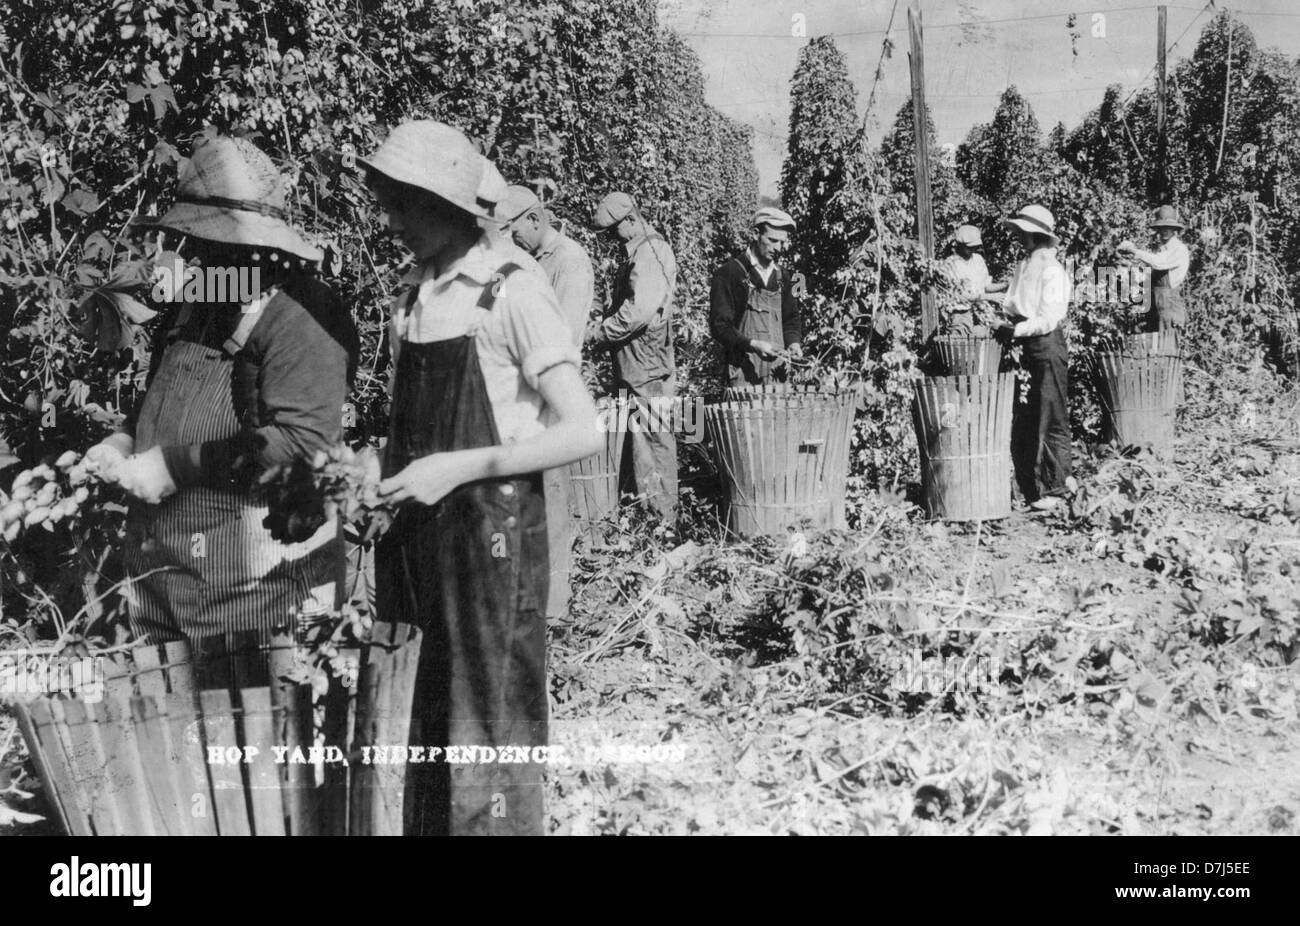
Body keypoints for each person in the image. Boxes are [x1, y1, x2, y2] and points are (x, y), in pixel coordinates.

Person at [360, 120, 601, 836]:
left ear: (445, 205)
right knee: (423, 713)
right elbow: (408, 427)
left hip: (490, 545)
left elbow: (582, 430)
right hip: (414, 544)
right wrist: (377, 470)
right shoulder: (415, 295)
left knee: (487, 719)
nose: (394, 223)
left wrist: (458, 467)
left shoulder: (511, 293)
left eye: (405, 206)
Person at [86, 135, 357, 649]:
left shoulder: (302, 315)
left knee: (250, 723)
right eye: (200, 240)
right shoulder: (199, 296)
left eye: (218, 242)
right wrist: (123, 442)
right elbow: (159, 399)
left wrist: (176, 466)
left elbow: (304, 446)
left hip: (258, 587)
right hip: (162, 577)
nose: (203, 252)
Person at [498, 183, 597, 620]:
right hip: (521, 400)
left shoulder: (570, 262)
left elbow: (564, 338)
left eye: (513, 229)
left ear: (535, 220)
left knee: (552, 499)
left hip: (554, 398)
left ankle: (554, 608)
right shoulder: (517, 262)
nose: (509, 239)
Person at [585, 192, 678, 525]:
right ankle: (652, 518)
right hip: (640, 362)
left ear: (630, 220)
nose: (611, 238)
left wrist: (599, 331)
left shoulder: (648, 253)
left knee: (652, 440)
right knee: (643, 438)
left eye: (613, 230)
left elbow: (637, 312)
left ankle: (663, 523)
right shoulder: (642, 250)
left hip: (645, 363)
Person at [989, 204, 1072, 513]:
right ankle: (1030, 489)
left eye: (1024, 233)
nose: (1019, 238)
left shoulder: (1052, 270)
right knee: (1026, 418)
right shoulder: (1025, 266)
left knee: (1050, 415)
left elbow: (1049, 318)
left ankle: (1056, 488)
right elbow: (1012, 303)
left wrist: (1016, 331)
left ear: (1037, 235)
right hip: (1025, 345)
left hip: (1046, 345)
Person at [709, 206, 803, 386]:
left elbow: (791, 319)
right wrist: (753, 344)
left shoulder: (784, 276)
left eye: (782, 242)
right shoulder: (730, 273)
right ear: (755, 234)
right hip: (744, 372)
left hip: (779, 375)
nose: (779, 248)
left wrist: (793, 343)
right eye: (773, 240)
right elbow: (720, 327)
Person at [1117, 205, 1189, 334]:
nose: (1165, 231)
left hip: (1169, 305)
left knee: (1167, 345)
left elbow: (1159, 263)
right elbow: (1148, 267)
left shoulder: (1178, 249)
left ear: (1174, 229)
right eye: (1162, 227)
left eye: (1168, 227)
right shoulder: (1160, 250)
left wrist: (1135, 251)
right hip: (1155, 304)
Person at [940, 224, 1007, 334]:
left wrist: (1005, 284)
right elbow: (962, 295)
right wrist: (990, 297)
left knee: (989, 337)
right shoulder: (951, 264)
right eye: (969, 247)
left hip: (981, 311)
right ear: (960, 245)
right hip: (961, 313)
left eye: (974, 247)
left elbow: (986, 286)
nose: (973, 249)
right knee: (962, 345)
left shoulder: (978, 260)